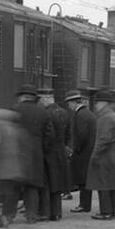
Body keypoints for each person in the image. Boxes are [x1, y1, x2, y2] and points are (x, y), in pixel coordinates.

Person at [11, 84, 51, 223]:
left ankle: (9, 216)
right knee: (32, 186)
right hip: (35, 154)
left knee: (14, 186)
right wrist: (41, 149)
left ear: (22, 97)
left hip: (18, 153)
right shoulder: (43, 113)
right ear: (33, 97)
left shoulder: (14, 110)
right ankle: (31, 216)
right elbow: (49, 136)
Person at [0, 109, 28, 228]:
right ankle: (8, 216)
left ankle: (4, 217)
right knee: (11, 193)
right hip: (15, 166)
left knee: (4, 193)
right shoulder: (18, 131)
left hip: (2, 167)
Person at [86, 89, 115, 220]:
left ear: (103, 103)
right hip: (112, 154)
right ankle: (113, 210)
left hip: (105, 156)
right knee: (112, 184)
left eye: (97, 103)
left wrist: (94, 156)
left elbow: (103, 139)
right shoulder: (112, 115)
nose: (95, 106)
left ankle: (106, 211)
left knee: (104, 184)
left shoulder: (105, 117)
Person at [37, 88, 69, 221]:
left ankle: (46, 212)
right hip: (60, 151)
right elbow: (68, 134)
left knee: (47, 184)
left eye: (39, 100)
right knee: (57, 185)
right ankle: (57, 213)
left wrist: (43, 149)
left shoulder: (46, 114)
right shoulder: (64, 113)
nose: (38, 103)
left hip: (49, 153)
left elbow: (48, 135)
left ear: (45, 99)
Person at [66, 90, 96, 212]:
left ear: (73, 103)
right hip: (89, 151)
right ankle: (85, 204)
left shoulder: (80, 115)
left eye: (69, 103)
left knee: (83, 180)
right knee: (85, 180)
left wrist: (75, 149)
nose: (68, 106)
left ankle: (84, 205)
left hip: (83, 153)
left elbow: (81, 135)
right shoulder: (89, 114)